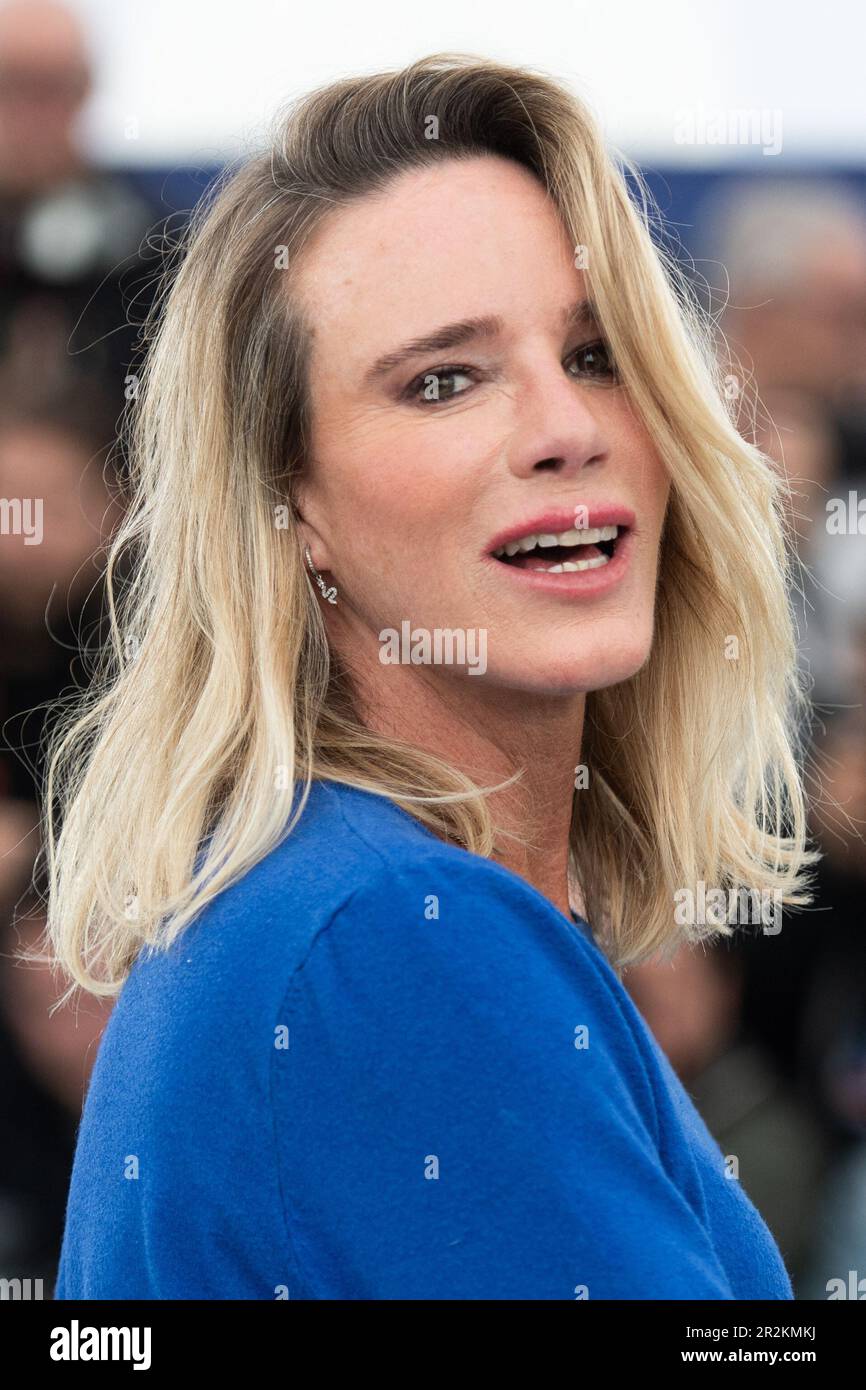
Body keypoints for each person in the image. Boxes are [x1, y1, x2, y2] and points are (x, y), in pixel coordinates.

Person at [42, 53, 816, 1300]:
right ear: (290, 508)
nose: (564, 428)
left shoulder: (347, 899)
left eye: (595, 352)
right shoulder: (390, 941)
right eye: (441, 380)